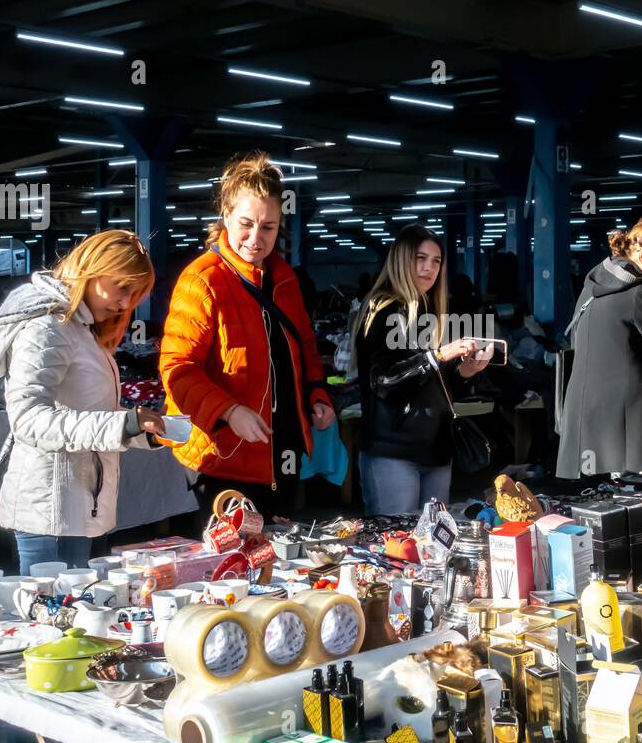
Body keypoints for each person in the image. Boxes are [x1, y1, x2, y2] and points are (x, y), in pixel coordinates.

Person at [0, 229, 162, 574]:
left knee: (71, 619)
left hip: (73, 506)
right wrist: (125, 423)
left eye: (134, 294)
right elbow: (29, 419)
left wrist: (141, 431)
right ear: (94, 268)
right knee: (53, 621)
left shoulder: (78, 328)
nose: (126, 303)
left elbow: (88, 415)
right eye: (122, 288)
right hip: (51, 511)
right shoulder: (48, 328)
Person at [160, 152, 335, 520]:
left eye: (268, 227)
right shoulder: (202, 280)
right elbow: (177, 369)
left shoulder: (286, 280)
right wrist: (228, 410)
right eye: (246, 224)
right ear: (225, 217)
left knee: (283, 566)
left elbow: (305, 349)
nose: (255, 238)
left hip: (282, 457)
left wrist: (317, 394)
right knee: (229, 570)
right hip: (224, 464)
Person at [353, 223, 492, 514]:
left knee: (435, 548)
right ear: (401, 259)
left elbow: (434, 385)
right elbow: (383, 381)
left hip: (436, 451)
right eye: (420, 258)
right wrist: (439, 355)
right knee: (396, 547)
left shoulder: (432, 310)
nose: (429, 268)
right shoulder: (383, 309)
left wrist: (466, 371)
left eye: (436, 261)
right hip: (393, 452)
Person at [557, 216, 642, 479]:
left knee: (597, 498)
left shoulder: (591, 287)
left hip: (584, 411)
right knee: (637, 495)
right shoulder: (638, 292)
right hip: (624, 415)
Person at [487, 237, 520, 305]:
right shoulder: (512, 259)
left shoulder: (493, 261)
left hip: (496, 294)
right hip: (510, 292)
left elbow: (491, 279)